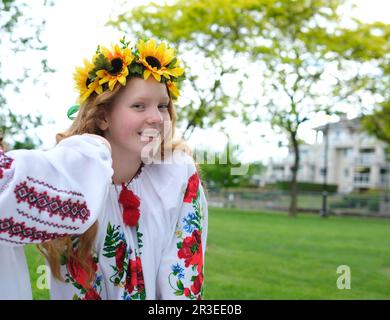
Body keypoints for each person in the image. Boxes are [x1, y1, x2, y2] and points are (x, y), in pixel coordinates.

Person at [0, 37, 208, 300]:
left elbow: (183, 278)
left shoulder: (177, 175)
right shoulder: (74, 183)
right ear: (102, 117)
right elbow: (74, 286)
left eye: (163, 105)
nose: (156, 117)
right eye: (139, 106)